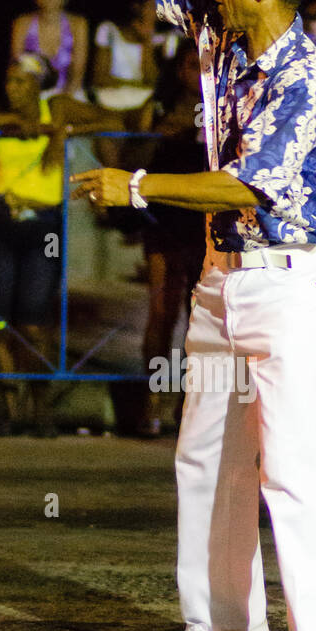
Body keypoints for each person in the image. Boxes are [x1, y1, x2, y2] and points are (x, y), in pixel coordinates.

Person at [35, 0, 316, 631]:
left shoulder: (305, 78)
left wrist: (136, 185)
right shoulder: (218, 22)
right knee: (206, 456)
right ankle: (220, 623)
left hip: (284, 284)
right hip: (221, 280)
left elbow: (248, 186)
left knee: (290, 469)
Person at [0, 52, 124, 433]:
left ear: (40, 82)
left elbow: (111, 120)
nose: (14, 89)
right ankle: (6, 409)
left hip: (43, 225)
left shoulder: (55, 106)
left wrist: (63, 129)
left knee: (35, 321)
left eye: (23, 81)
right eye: (10, 81)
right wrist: (15, 126)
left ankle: (40, 407)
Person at [131, 39, 207, 436]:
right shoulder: (158, 106)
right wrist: (163, 133)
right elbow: (135, 154)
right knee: (162, 311)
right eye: (188, 65)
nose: (195, 72)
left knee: (201, 317)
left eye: (202, 64)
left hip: (203, 218)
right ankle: (153, 400)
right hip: (164, 217)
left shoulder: (223, 107)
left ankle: (190, 405)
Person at [10, 0, 88, 97]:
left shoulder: (78, 24)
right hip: (31, 96)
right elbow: (17, 68)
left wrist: (63, 101)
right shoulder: (22, 23)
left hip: (68, 95)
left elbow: (78, 75)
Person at [91, 0, 161, 112]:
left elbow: (152, 82)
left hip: (141, 102)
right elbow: (100, 79)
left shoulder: (158, 40)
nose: (157, 13)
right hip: (110, 98)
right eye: (152, 7)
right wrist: (135, 85)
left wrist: (146, 44)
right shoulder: (108, 31)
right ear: (137, 7)